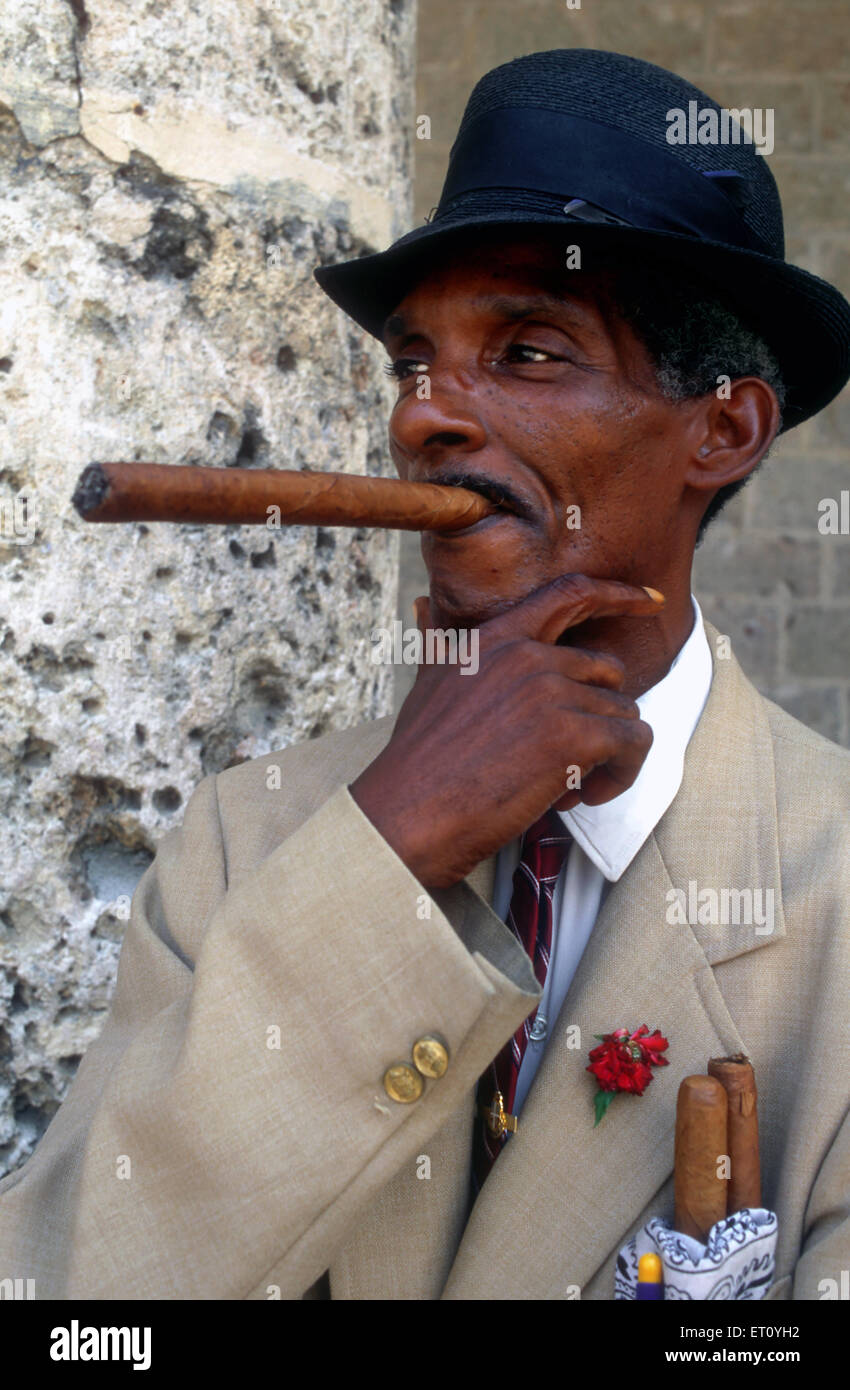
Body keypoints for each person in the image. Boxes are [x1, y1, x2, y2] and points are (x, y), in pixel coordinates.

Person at [1, 47, 849, 1302]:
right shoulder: (246, 842)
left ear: (721, 427)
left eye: (528, 353)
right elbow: (75, 1308)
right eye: (412, 363)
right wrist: (384, 855)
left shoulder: (834, 885)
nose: (421, 419)